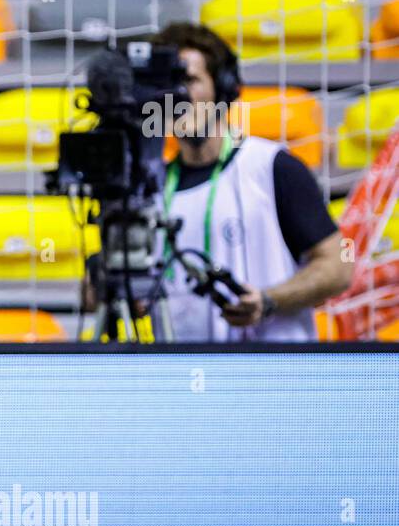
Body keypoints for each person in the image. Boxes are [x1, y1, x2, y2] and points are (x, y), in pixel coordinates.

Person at [151, 22, 352, 341]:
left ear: (224, 88)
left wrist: (269, 300)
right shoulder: (151, 185)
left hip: (272, 378)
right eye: (168, 82)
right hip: (182, 379)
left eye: (189, 80)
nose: (178, 94)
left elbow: (339, 267)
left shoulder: (273, 167)